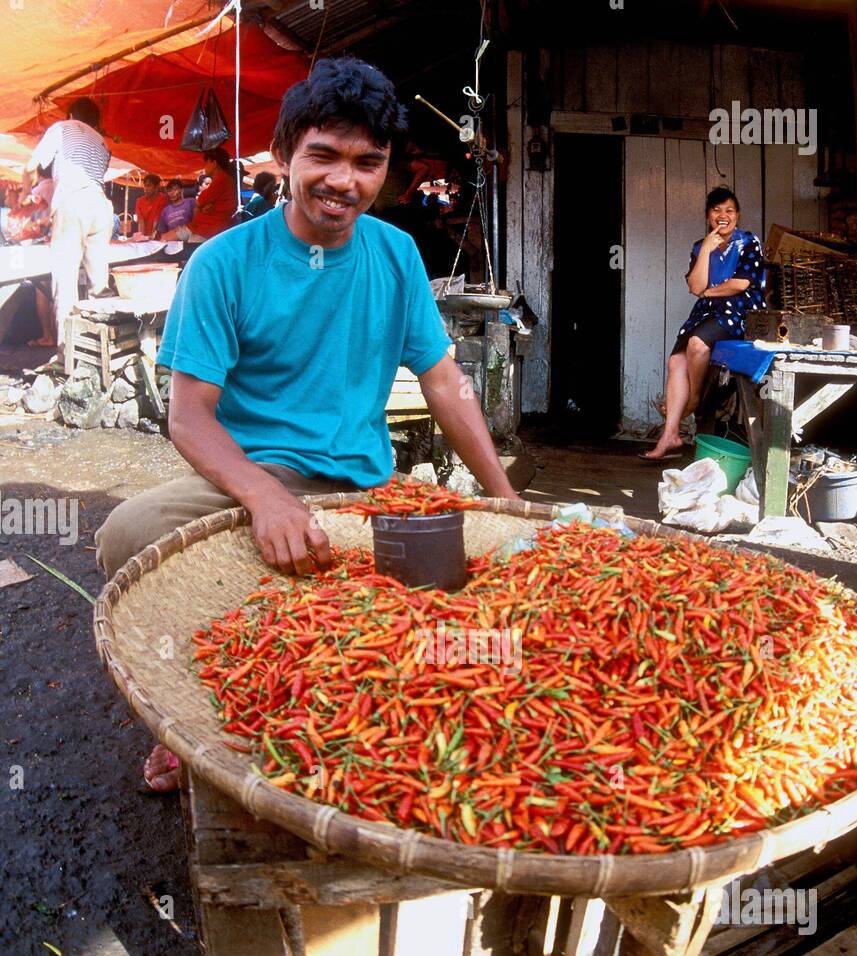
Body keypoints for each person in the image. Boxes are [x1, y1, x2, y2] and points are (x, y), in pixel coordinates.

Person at [94, 57, 519, 791]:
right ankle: (178, 712)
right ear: (285, 157)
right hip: (254, 474)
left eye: (366, 163)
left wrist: (504, 499)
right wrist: (262, 497)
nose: (343, 181)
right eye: (323, 155)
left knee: (477, 617)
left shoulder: (395, 254)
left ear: (386, 170)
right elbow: (189, 419)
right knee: (123, 535)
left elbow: (444, 382)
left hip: (363, 481)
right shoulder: (224, 262)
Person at [640, 186, 766, 461]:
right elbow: (695, 285)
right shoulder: (701, 246)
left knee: (697, 345)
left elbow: (740, 284)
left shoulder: (748, 241)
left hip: (741, 310)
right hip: (708, 311)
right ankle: (670, 435)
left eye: (729, 210)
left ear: (738, 215)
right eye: (717, 210)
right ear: (708, 215)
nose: (723, 215)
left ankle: (695, 399)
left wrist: (707, 292)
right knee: (675, 362)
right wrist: (707, 250)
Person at [22, 96, 113, 351]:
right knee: (99, 286)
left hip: (73, 198)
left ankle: (66, 355)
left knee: (65, 279)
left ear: (72, 115)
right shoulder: (102, 141)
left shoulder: (62, 128)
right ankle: (98, 349)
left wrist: (24, 195)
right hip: (101, 205)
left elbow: (31, 167)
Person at [169, 148, 237, 244]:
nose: (205, 167)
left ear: (214, 163)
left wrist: (201, 206)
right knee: (165, 238)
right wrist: (202, 207)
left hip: (208, 231)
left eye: (206, 163)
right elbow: (200, 204)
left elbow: (199, 200)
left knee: (190, 252)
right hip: (198, 227)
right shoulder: (222, 180)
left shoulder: (222, 179)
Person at [133, 174, 168, 239]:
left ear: (156, 187)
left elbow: (157, 222)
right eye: (145, 186)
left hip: (159, 236)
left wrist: (152, 238)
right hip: (146, 237)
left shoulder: (163, 198)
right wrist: (142, 237)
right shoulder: (139, 201)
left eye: (149, 186)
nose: (145, 189)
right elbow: (141, 222)